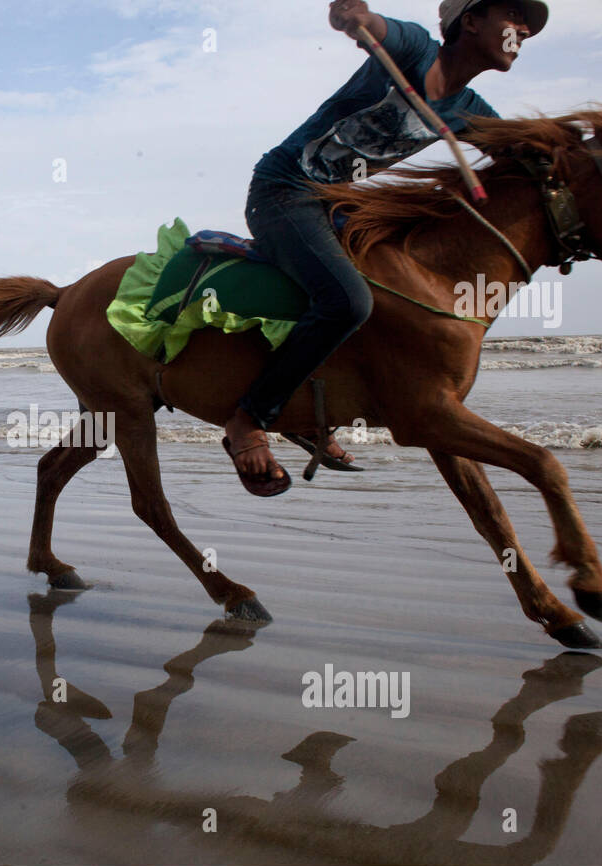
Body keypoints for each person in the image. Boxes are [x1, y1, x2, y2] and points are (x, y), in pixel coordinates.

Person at [223, 0, 546, 495]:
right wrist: (352, 17)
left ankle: (309, 412)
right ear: (472, 21)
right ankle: (250, 417)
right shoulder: (414, 49)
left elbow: (524, 154)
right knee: (347, 301)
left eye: (528, 26)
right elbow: (371, 26)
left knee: (395, 294)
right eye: (512, 17)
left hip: (338, 207)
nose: (522, 30)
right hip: (285, 192)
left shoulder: (469, 111)